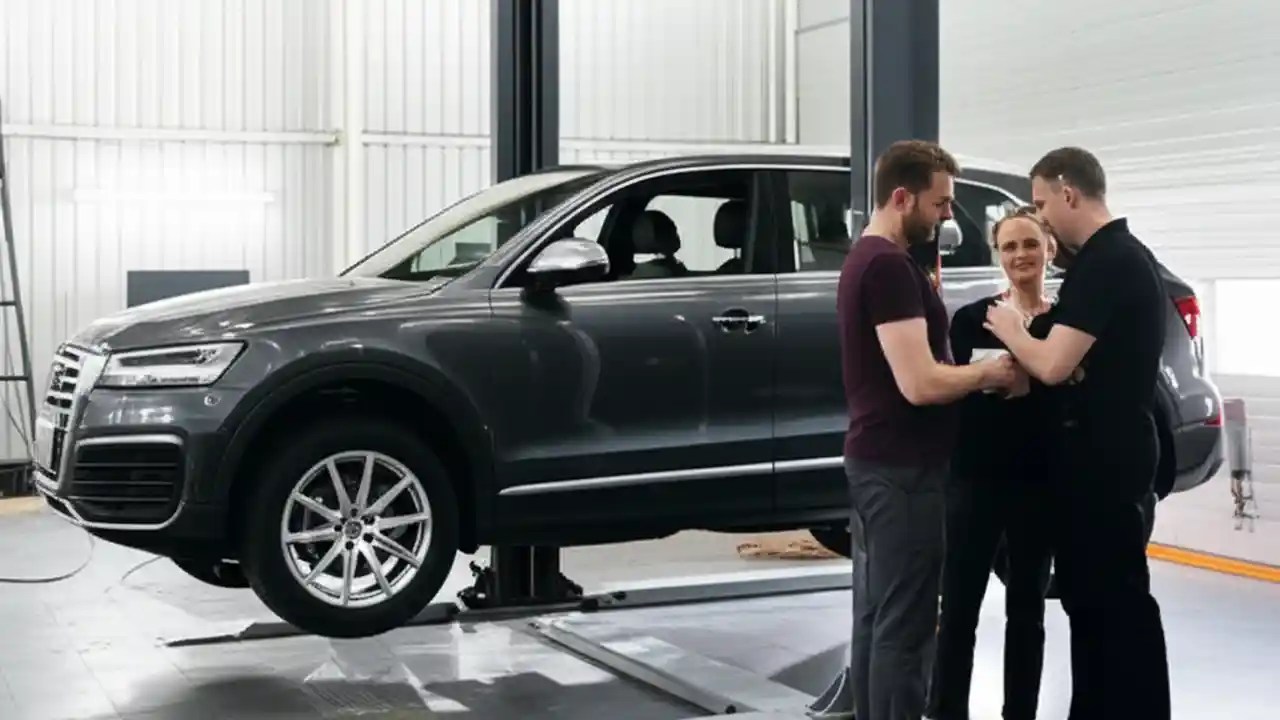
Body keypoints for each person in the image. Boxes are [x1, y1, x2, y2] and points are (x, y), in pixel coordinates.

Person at [809, 140, 1020, 720]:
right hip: (902, 472)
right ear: (902, 197)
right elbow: (920, 384)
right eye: (941, 203)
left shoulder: (872, 259)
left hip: (883, 464)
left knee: (879, 618)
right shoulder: (886, 267)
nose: (948, 216)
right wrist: (988, 372)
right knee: (905, 628)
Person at [984, 146, 1172, 720]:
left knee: (1113, 603)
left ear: (1068, 193)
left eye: (1041, 205)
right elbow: (1083, 359)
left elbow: (1054, 365)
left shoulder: (1106, 262)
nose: (1040, 219)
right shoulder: (1120, 258)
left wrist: (1010, 330)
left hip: (1106, 463)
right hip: (1109, 455)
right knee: (1096, 604)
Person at [926, 206, 1058, 720]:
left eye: (1030, 244)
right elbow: (955, 387)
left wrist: (1025, 374)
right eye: (1009, 246)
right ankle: (946, 712)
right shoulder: (972, 319)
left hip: (1037, 485)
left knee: (1027, 610)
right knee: (957, 610)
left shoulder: (1065, 324)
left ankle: (1019, 712)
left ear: (1049, 248)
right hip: (973, 482)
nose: (1020, 255)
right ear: (997, 255)